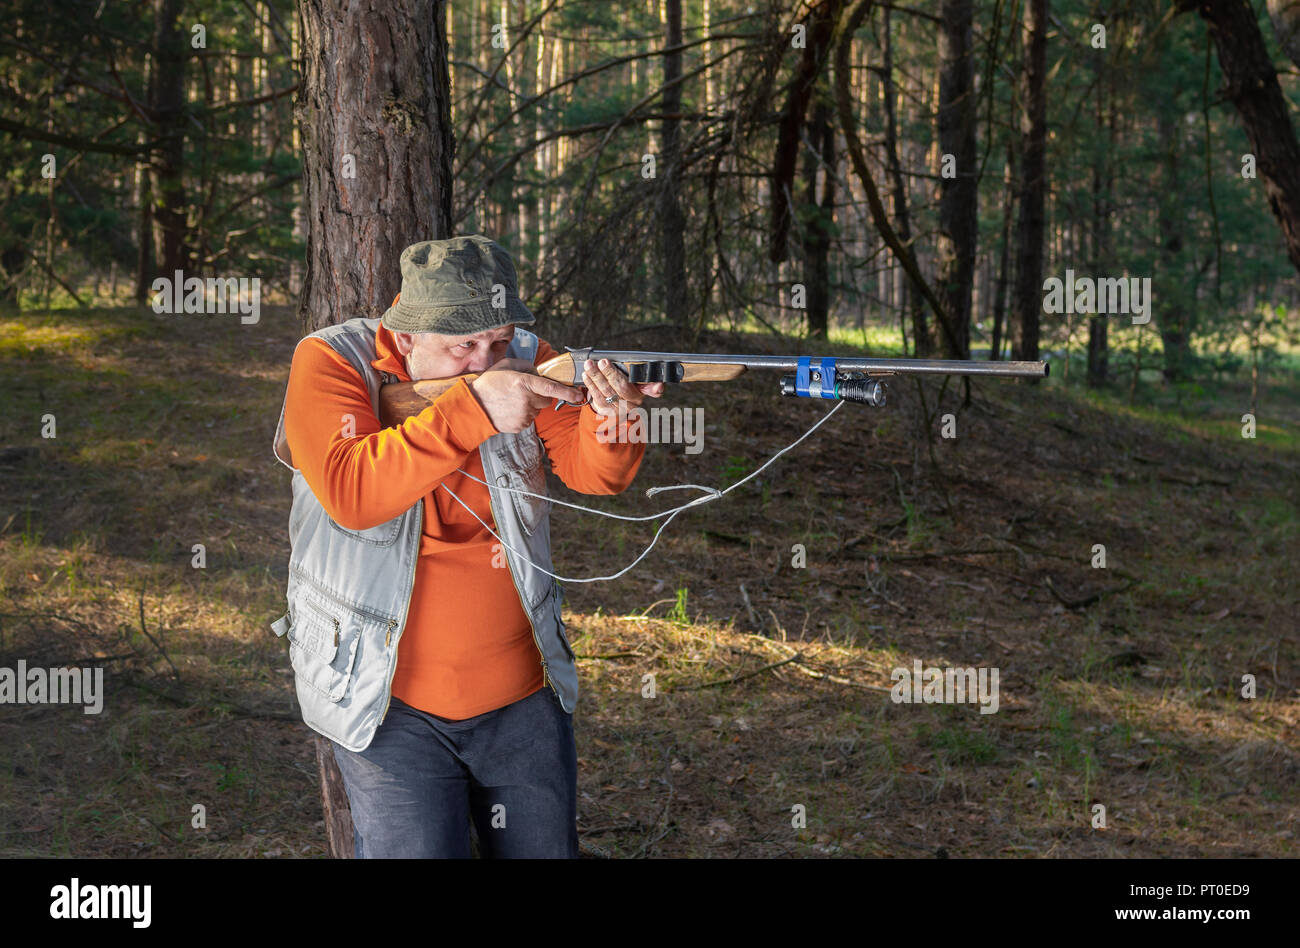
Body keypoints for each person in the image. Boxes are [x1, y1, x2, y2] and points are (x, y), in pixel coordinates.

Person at [270, 235, 663, 857]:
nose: (487, 363)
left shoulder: (536, 359)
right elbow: (352, 492)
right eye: (463, 347)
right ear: (404, 339)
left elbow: (599, 475)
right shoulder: (331, 361)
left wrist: (616, 417)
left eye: (499, 341)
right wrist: (472, 410)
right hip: (385, 703)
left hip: (524, 697)